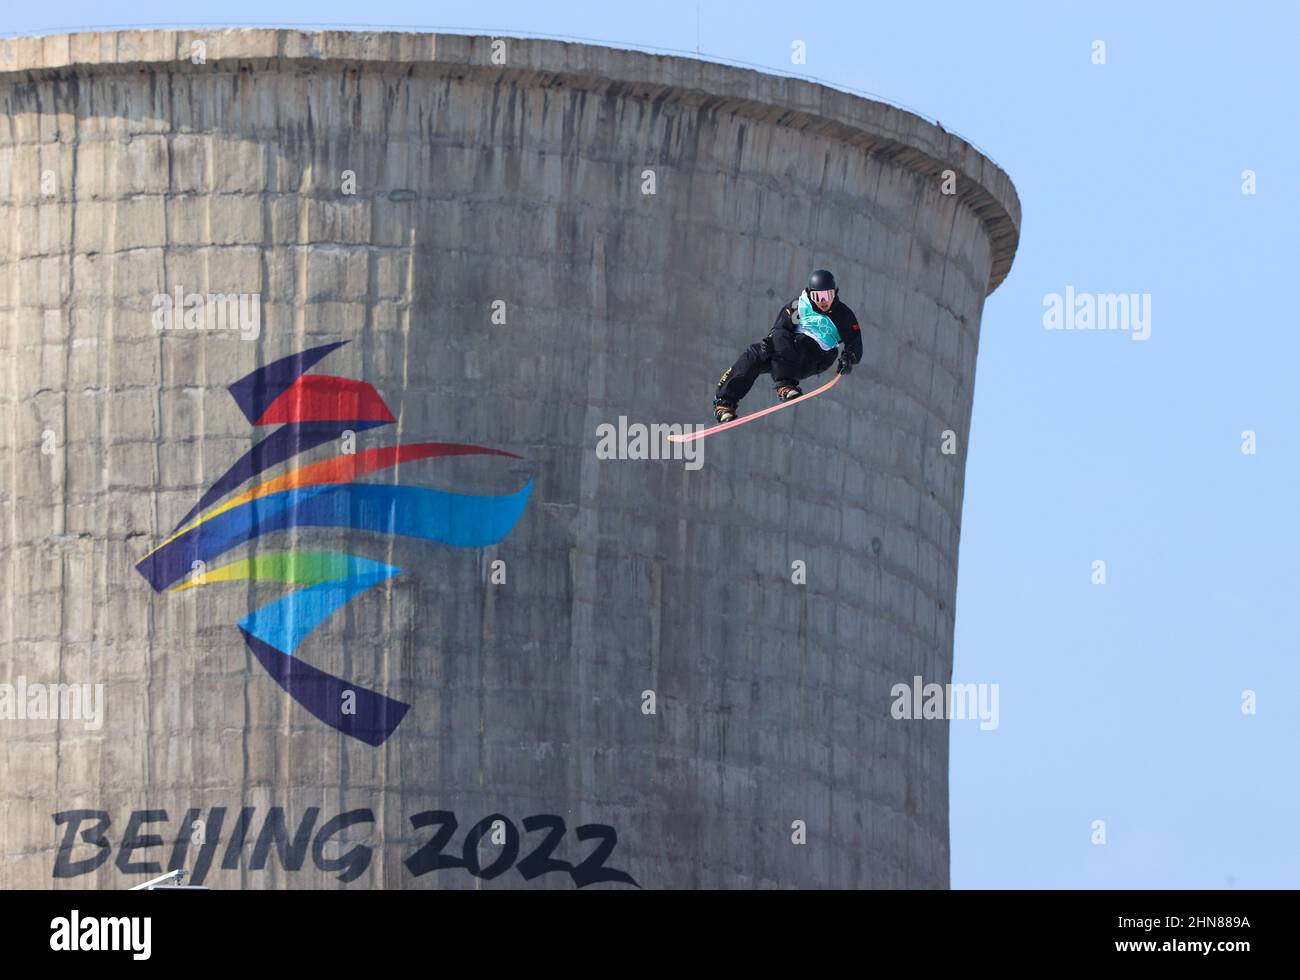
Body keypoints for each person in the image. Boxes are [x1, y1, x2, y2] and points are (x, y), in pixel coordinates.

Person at [712, 269, 861, 423]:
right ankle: (724, 403)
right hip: (789, 354)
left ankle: (785, 384)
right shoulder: (799, 306)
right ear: (810, 294)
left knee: (793, 341)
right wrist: (769, 343)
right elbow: (779, 329)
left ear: (835, 293)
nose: (823, 301)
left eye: (828, 296)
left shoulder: (844, 315)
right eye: (818, 296)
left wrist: (849, 357)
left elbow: (855, 342)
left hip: (816, 356)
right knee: (754, 354)